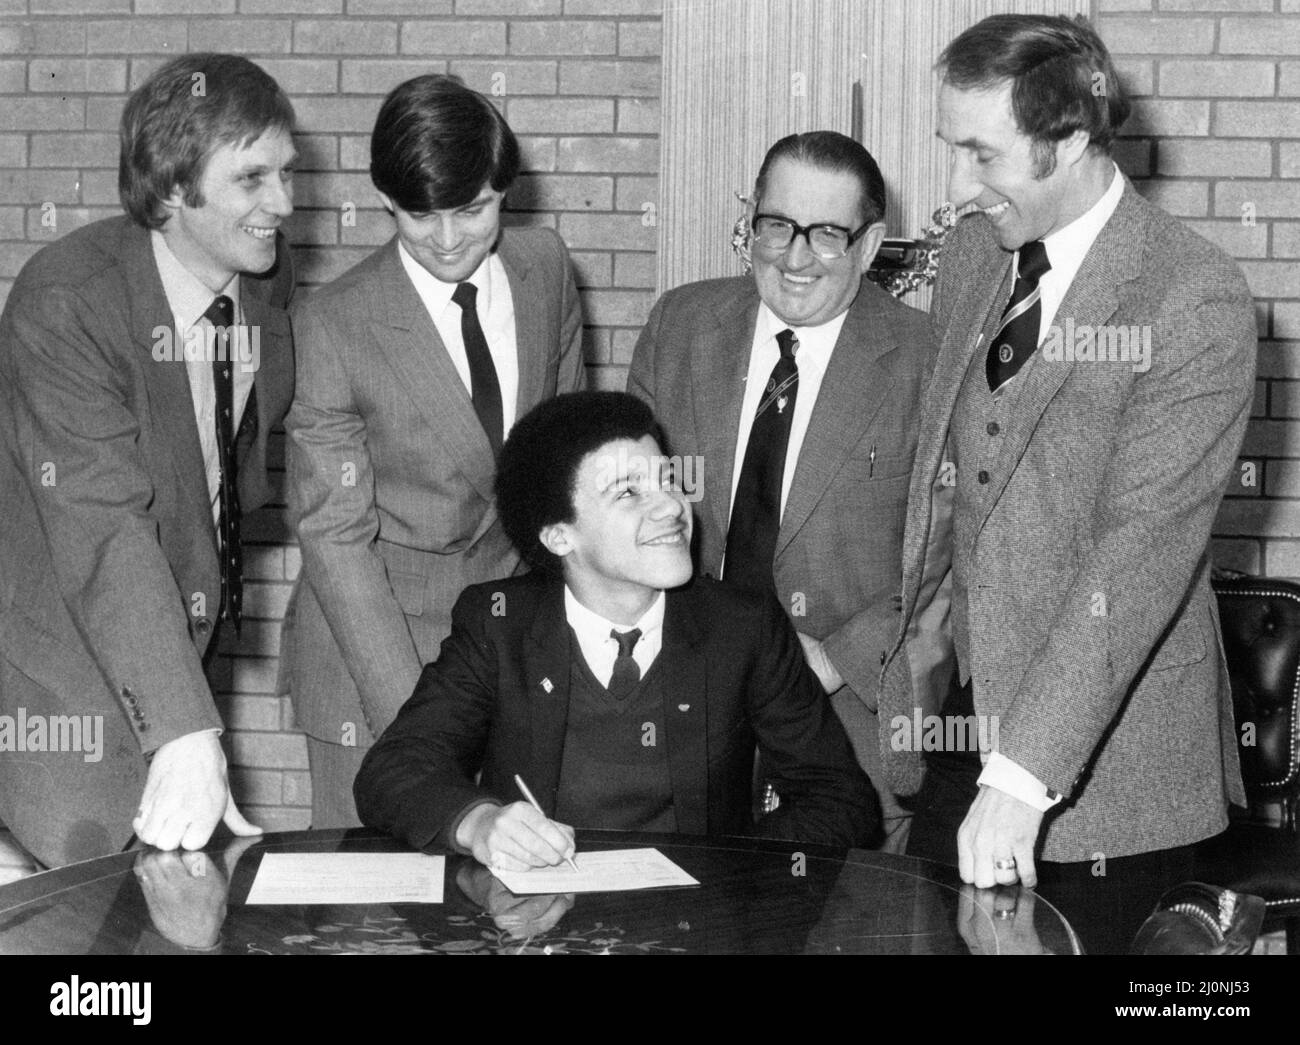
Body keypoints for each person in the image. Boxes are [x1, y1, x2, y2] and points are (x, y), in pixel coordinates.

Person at [881, 14, 1256, 952]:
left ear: (1074, 137)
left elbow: (1140, 552)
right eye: (951, 149)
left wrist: (1020, 778)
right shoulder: (976, 253)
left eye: (984, 155)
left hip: (1116, 771)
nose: (957, 187)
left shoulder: (1192, 294)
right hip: (967, 729)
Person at [354, 391, 878, 864]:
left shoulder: (742, 626)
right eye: (629, 493)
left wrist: (726, 875)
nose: (672, 506)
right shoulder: (499, 625)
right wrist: (479, 822)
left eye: (668, 480)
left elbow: (839, 798)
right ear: (560, 536)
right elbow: (394, 769)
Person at [0, 53, 297, 867]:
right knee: (88, 921)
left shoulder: (262, 282)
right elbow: (103, 528)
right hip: (56, 670)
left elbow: (241, 460)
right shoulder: (68, 301)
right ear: (171, 189)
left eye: (285, 173)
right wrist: (185, 726)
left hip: (171, 641)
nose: (284, 203)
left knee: (177, 903)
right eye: (252, 180)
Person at [283, 74, 584, 828]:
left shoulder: (545, 269)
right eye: (420, 215)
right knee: (375, 925)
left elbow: (563, 468)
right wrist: (424, 728)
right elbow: (335, 536)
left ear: (504, 190)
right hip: (373, 661)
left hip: (511, 650)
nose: (448, 241)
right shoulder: (333, 323)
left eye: (473, 210)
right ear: (386, 199)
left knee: (502, 913)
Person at [628, 131, 940, 851]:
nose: (795, 258)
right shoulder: (679, 326)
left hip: (851, 730)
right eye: (776, 225)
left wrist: (827, 661)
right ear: (750, 222)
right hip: (678, 720)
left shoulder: (928, 361)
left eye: (827, 234)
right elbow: (630, 516)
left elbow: (947, 563)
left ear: (868, 246)